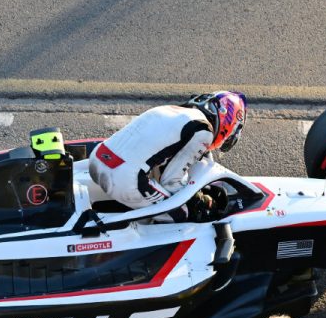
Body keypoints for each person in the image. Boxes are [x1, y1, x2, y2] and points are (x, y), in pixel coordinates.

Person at [89, 91, 246, 221]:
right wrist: (200, 200)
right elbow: (171, 182)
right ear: (229, 124)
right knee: (184, 213)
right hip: (124, 180)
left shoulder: (174, 110)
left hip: (97, 160)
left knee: (153, 185)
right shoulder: (203, 132)